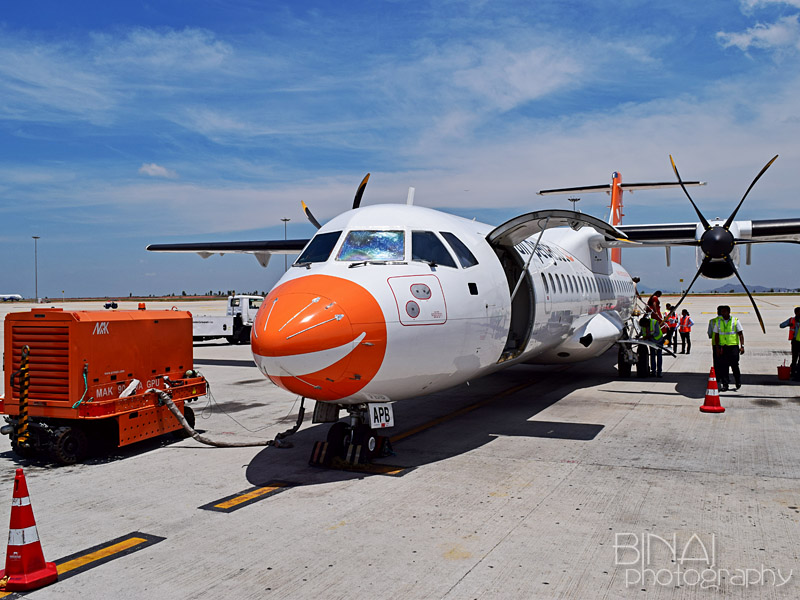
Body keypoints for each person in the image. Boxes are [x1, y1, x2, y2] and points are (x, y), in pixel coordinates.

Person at [713, 305, 744, 391]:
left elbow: (740, 334)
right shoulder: (718, 322)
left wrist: (742, 346)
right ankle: (725, 385)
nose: (723, 313)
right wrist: (717, 348)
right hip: (723, 347)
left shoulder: (735, 321)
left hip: (733, 347)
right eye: (722, 312)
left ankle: (738, 381)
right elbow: (716, 335)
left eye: (724, 311)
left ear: (729, 312)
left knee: (735, 366)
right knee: (724, 367)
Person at [779, 306, 800, 380]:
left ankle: (797, 373)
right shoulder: (791, 320)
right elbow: (781, 325)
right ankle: (793, 372)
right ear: (796, 313)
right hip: (795, 341)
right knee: (794, 358)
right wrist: (788, 324)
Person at [708, 306, 723, 377]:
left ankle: (717, 375)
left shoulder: (712, 321)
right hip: (727, 343)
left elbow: (710, 333)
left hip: (715, 343)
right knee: (725, 361)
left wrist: (712, 337)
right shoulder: (728, 320)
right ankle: (724, 376)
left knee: (716, 360)